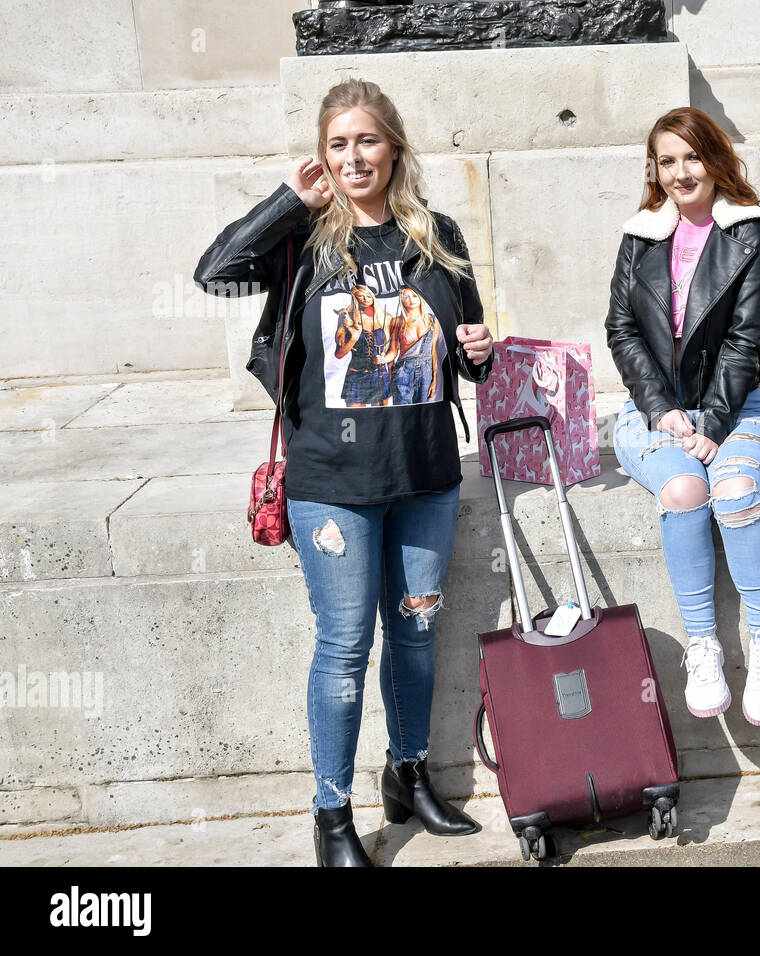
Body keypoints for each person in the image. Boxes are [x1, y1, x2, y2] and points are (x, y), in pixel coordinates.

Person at [194, 78, 494, 866]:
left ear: (393, 147)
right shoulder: (301, 244)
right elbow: (214, 270)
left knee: (417, 635)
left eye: (367, 140)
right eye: (338, 144)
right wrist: (285, 204)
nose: (353, 156)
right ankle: (332, 814)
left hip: (426, 474)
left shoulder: (438, 236)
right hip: (331, 485)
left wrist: (480, 355)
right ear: (322, 156)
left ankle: (409, 776)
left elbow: (470, 356)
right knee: (343, 648)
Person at [606, 107, 760, 727]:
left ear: (714, 158)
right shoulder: (641, 234)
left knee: (734, 489)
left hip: (737, 406)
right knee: (684, 489)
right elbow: (621, 329)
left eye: (692, 157)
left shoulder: (748, 234)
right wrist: (660, 409)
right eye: (667, 160)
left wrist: (710, 422)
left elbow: (746, 341)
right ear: (654, 169)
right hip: (648, 410)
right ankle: (703, 647)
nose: (681, 172)